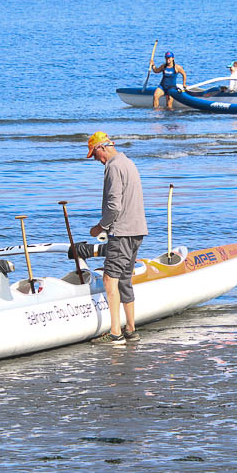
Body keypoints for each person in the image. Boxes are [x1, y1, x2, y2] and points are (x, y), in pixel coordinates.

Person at [85, 132, 148, 345]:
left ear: (102, 148)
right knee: (124, 279)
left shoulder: (113, 166)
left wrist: (99, 227)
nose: (95, 159)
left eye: (94, 154)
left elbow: (114, 206)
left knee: (109, 279)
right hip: (137, 229)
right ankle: (130, 328)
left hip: (122, 231)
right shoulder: (128, 162)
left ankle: (115, 332)